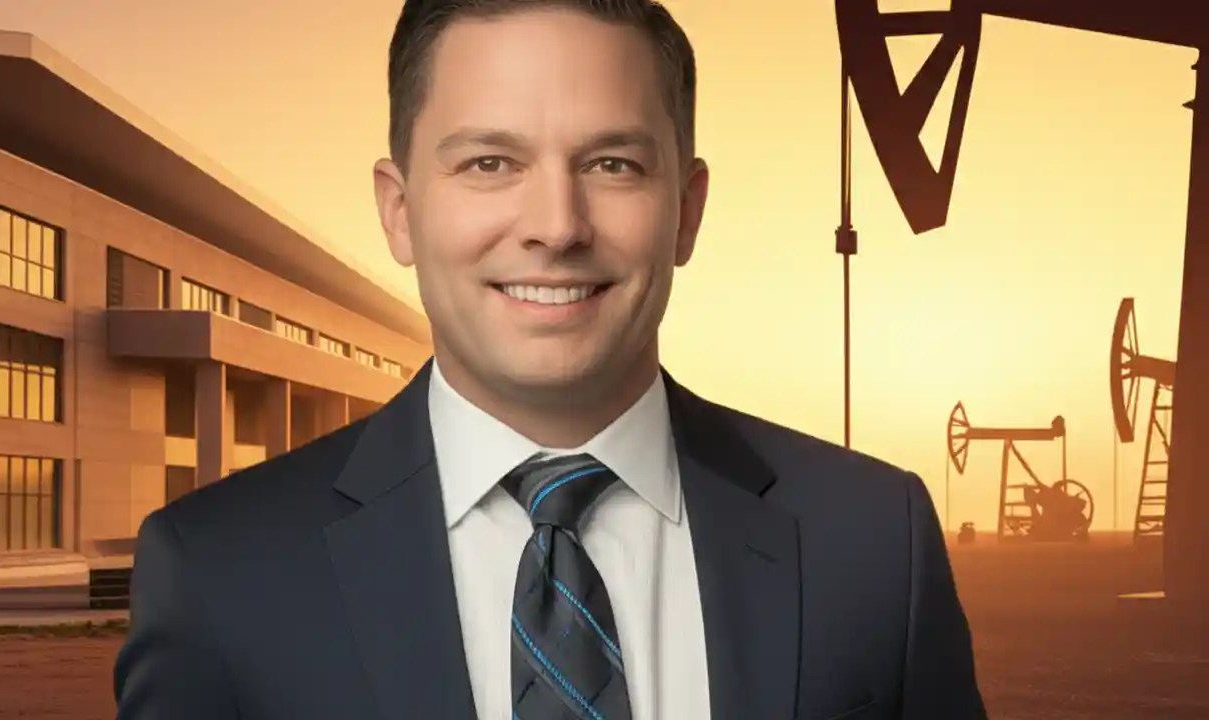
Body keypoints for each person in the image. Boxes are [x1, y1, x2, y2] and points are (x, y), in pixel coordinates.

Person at [112, 1, 988, 718]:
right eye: (490, 162)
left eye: (611, 164)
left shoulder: (874, 544)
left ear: (686, 211)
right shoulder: (221, 574)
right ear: (399, 211)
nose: (557, 226)